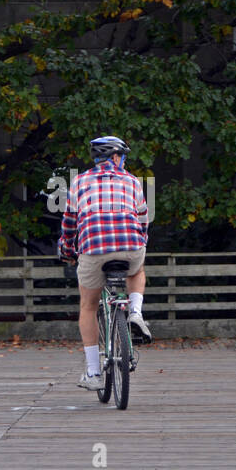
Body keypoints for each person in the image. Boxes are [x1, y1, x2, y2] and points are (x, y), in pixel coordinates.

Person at [57, 135, 152, 390]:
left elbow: (69, 224)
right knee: (137, 270)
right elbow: (143, 220)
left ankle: (93, 372)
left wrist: (67, 249)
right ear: (117, 157)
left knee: (88, 306)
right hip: (131, 246)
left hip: (93, 249)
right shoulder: (132, 181)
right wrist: (140, 241)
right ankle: (135, 312)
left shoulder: (79, 181)